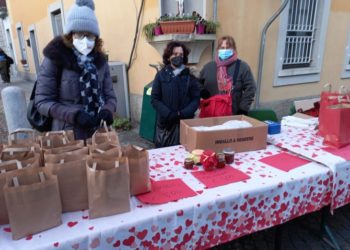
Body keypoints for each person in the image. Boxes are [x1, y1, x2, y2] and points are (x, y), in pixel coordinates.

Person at [35, 0, 117, 140]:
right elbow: (43, 102)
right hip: (67, 136)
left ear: (96, 37)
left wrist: (107, 111)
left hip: (98, 134)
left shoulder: (100, 61)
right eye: (79, 34)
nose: (85, 40)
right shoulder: (55, 59)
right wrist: (74, 115)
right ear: (70, 35)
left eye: (90, 35)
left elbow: (110, 97)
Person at [151, 41, 200, 148]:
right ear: (169, 56)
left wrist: (183, 113)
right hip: (166, 127)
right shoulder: (161, 75)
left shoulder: (190, 76)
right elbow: (155, 99)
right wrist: (168, 114)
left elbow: (196, 99)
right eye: (175, 54)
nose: (178, 57)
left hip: (185, 124)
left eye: (181, 55)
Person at [199, 35, 256, 116]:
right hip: (211, 114)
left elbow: (251, 88)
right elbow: (197, 84)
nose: (225, 50)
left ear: (234, 49)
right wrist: (202, 92)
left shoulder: (242, 67)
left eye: (228, 47)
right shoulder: (208, 67)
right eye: (222, 48)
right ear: (218, 50)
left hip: (233, 114)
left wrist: (243, 109)